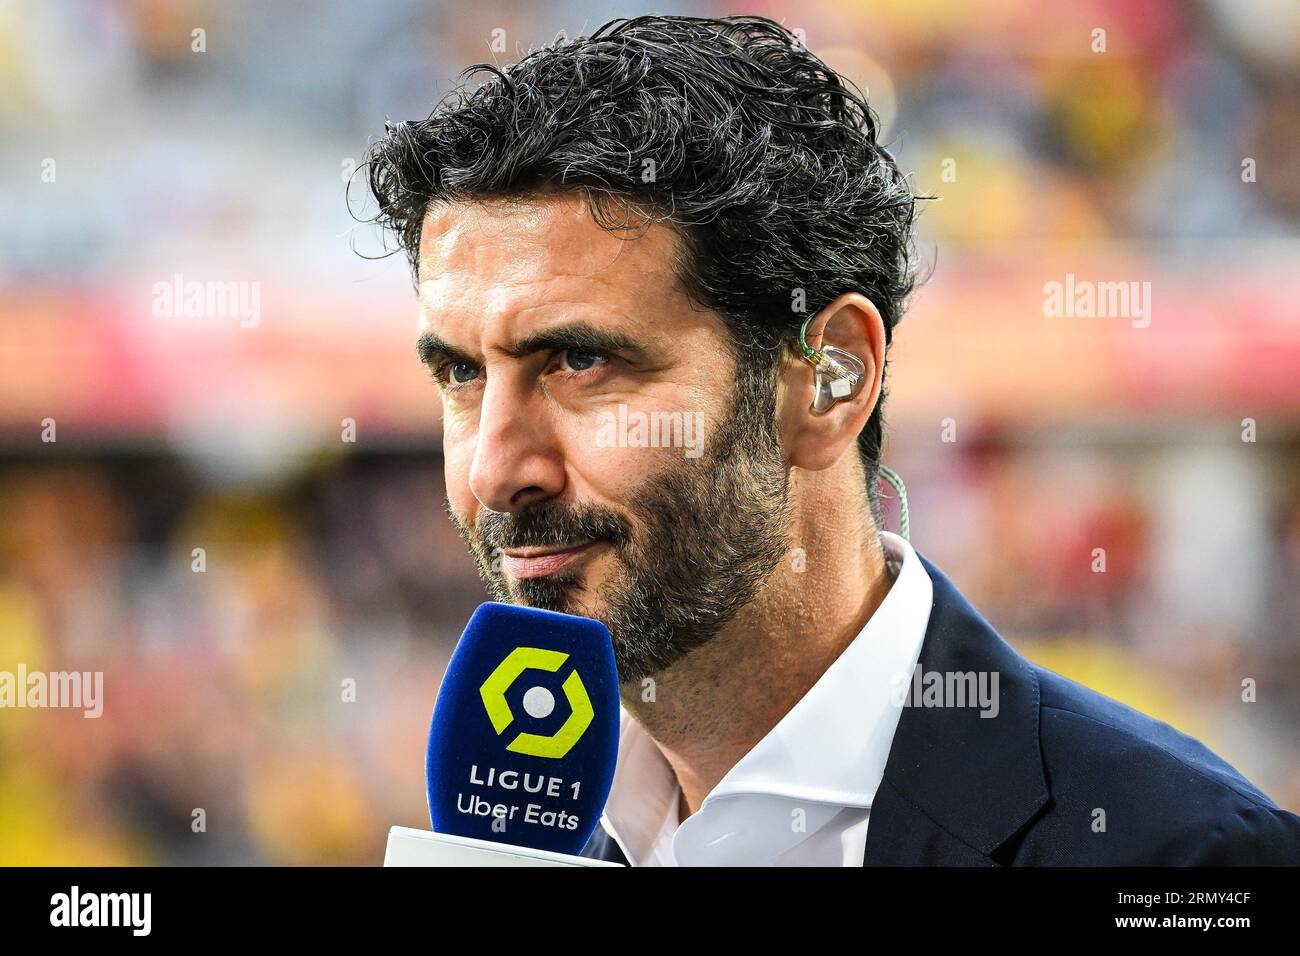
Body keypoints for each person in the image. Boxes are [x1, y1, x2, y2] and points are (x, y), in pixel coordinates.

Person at [364, 14, 1300, 865]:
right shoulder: (520, 832)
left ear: (827, 380)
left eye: (579, 361)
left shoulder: (1186, 858)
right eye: (462, 374)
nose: (494, 469)